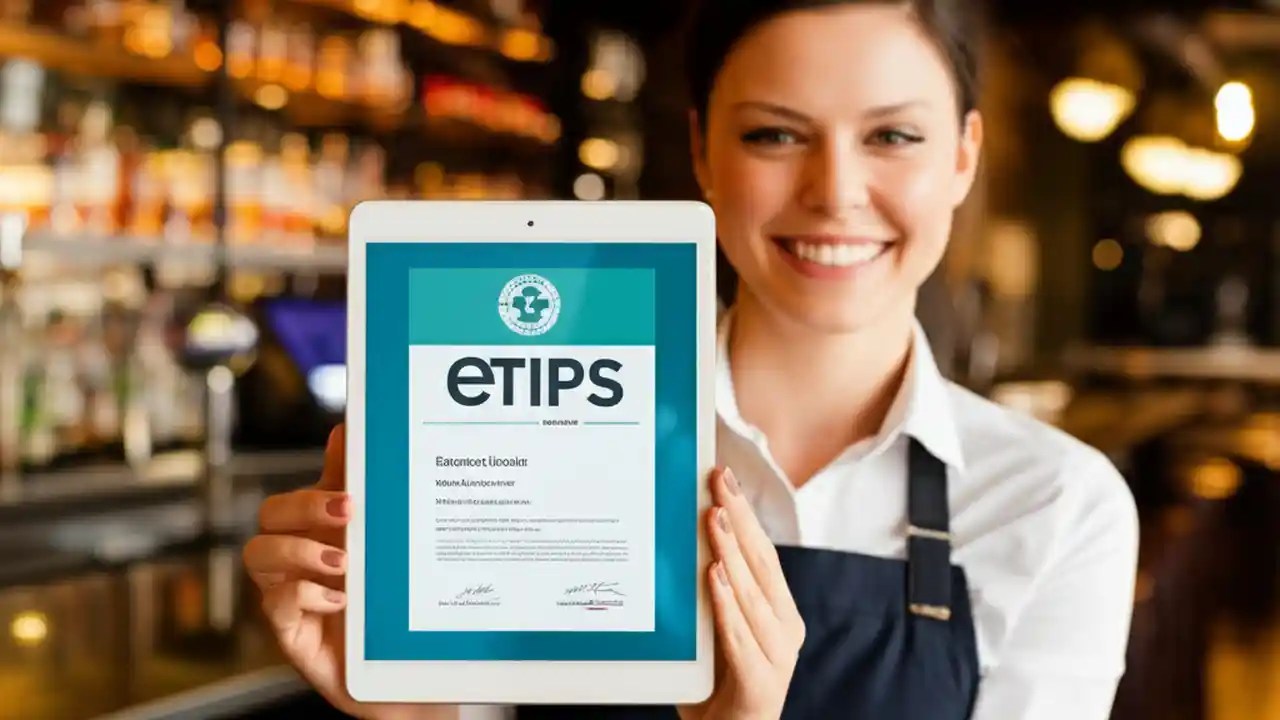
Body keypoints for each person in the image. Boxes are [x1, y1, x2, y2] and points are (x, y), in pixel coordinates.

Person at [243, 1, 1141, 718]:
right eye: (775, 135)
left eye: (892, 136)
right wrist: (415, 719)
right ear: (705, 151)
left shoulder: (1057, 507)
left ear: (962, 158)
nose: (834, 192)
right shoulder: (544, 431)